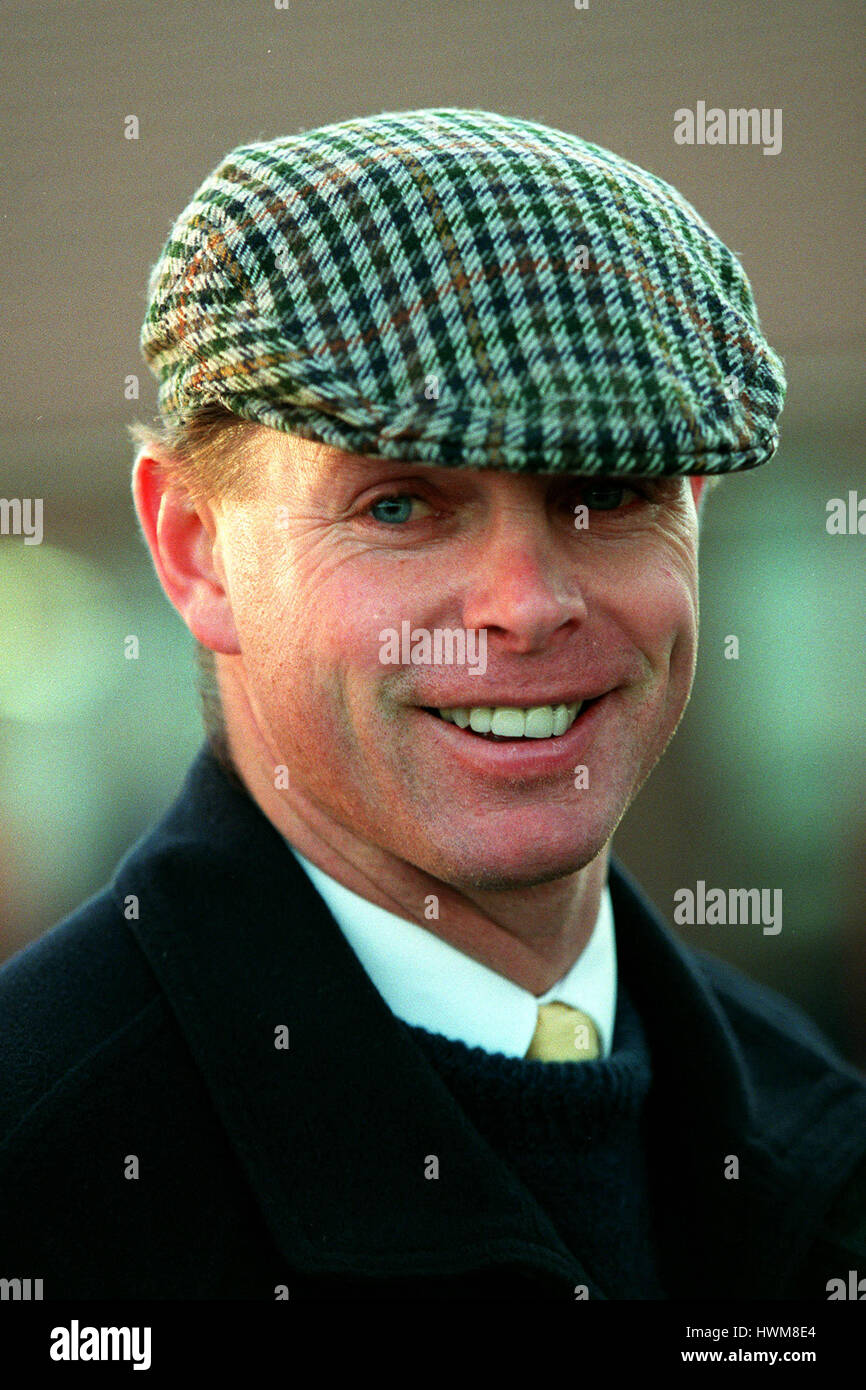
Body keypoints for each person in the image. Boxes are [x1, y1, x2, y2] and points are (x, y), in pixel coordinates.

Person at [1, 107, 864, 1302]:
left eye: (605, 490)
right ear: (196, 553)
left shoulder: (815, 1125)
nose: (524, 604)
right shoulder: (43, 1185)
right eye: (399, 505)